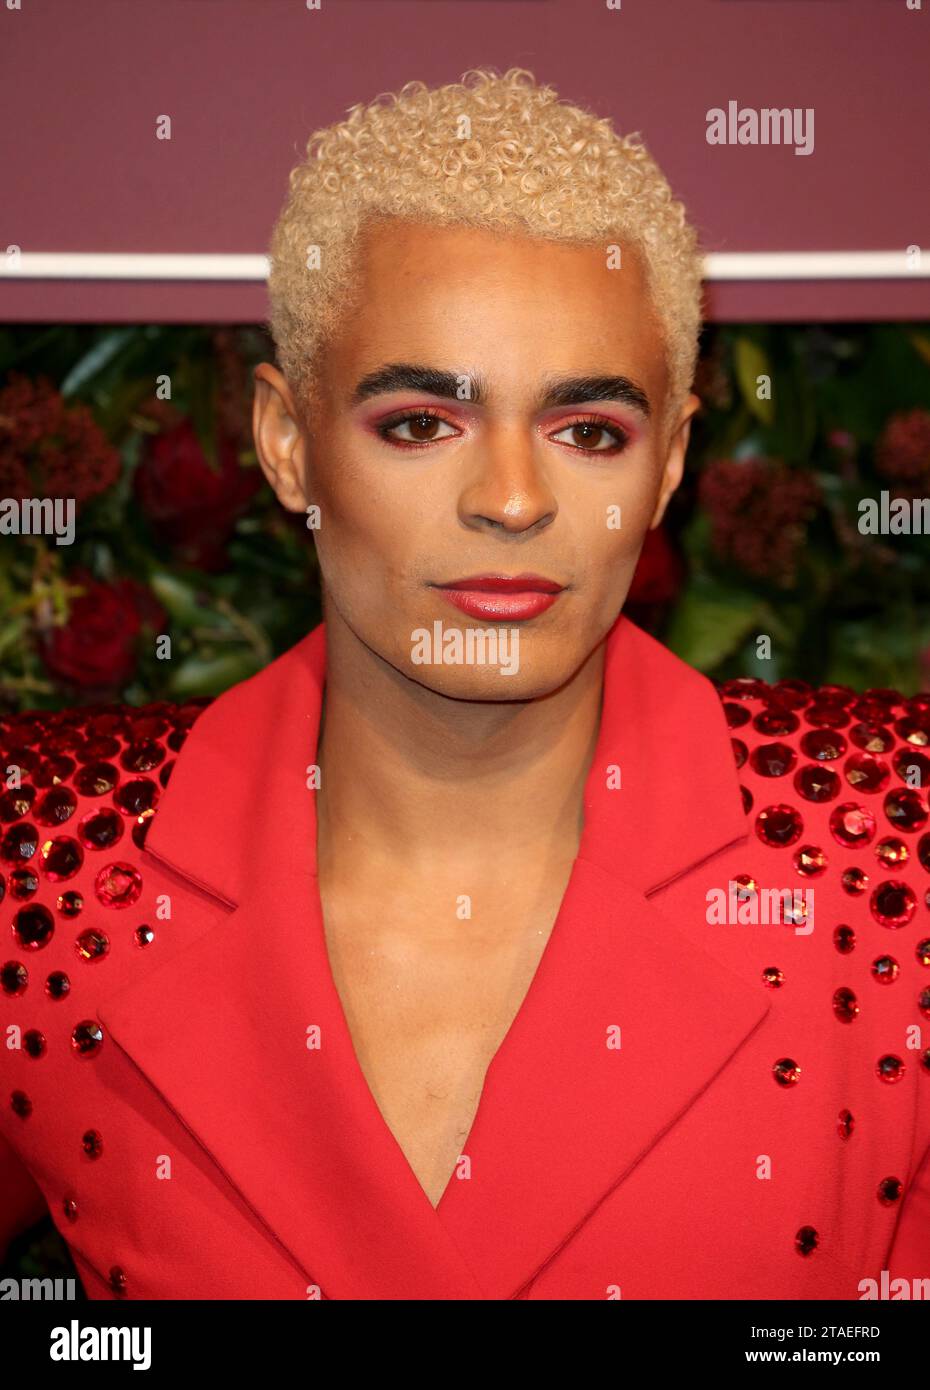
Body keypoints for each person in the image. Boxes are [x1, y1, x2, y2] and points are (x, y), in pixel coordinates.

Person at [1, 67, 928, 1302]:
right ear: (287, 443)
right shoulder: (50, 872)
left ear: (670, 462)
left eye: (589, 431)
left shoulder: (889, 858)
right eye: (421, 422)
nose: (511, 499)